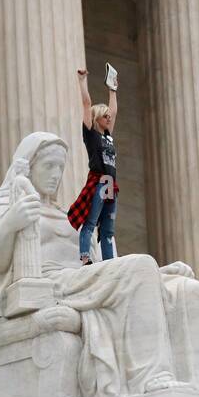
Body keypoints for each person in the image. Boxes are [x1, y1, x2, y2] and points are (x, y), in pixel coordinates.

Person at [68, 67, 117, 265]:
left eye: (109, 116)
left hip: (111, 185)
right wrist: (82, 82)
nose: (109, 118)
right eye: (105, 116)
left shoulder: (108, 137)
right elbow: (86, 103)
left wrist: (112, 89)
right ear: (96, 118)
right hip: (98, 181)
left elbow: (114, 110)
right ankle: (85, 257)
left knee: (107, 230)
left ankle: (109, 263)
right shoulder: (91, 134)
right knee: (90, 222)